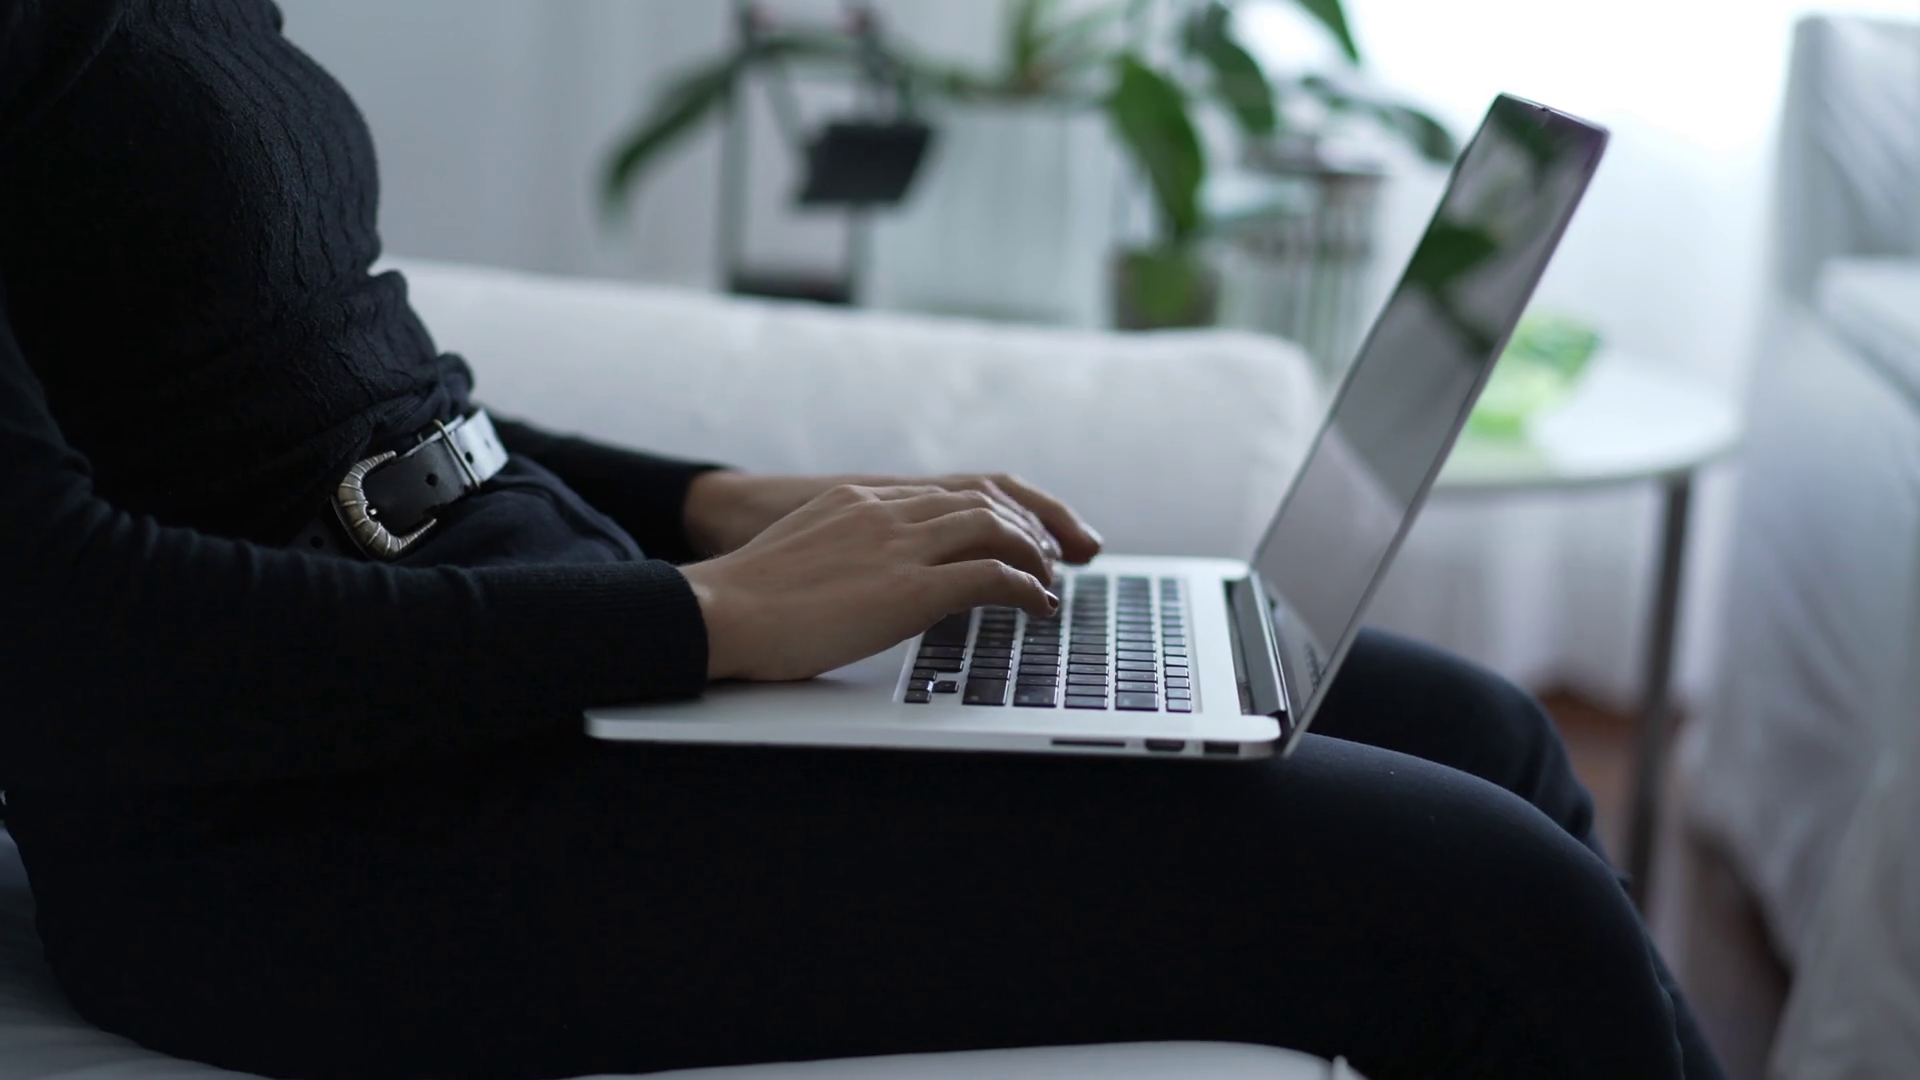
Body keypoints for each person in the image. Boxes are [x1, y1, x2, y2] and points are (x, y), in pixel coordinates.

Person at [0, 2, 1725, 1078]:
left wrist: (711, 508)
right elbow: (62, 639)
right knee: (1497, 913)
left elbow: (313, 381)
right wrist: (702, 622)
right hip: (310, 835)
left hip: (527, 636)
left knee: (1479, 729)